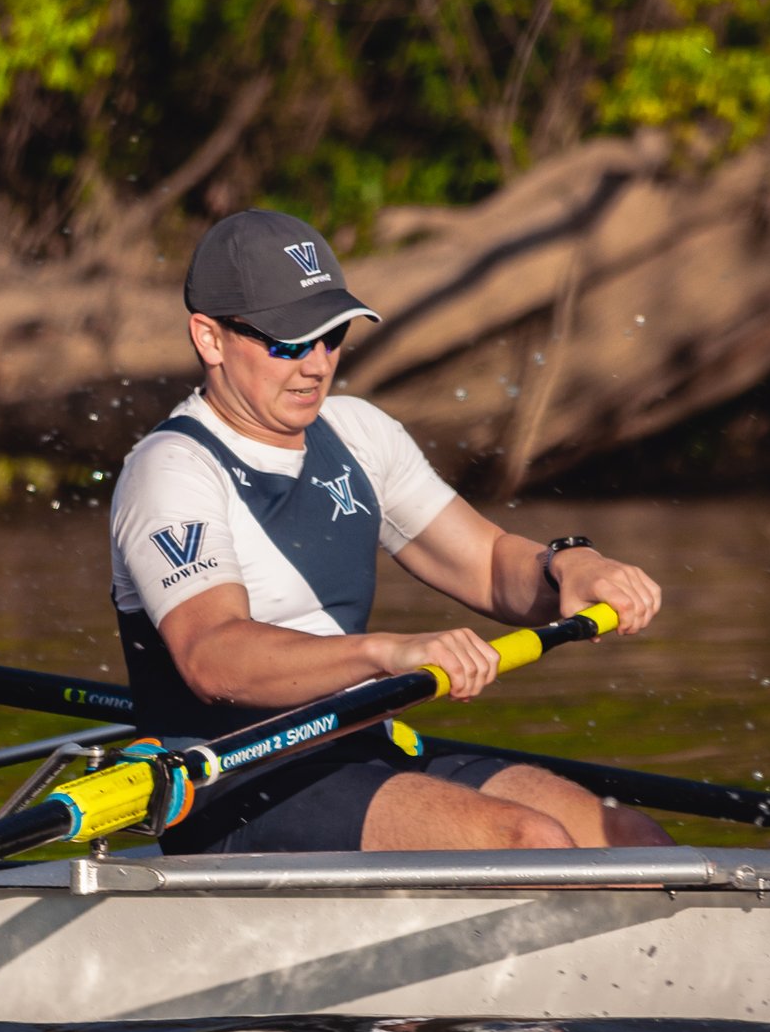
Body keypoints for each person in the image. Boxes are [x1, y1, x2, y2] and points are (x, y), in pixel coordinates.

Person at [109, 209, 670, 856]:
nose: (316, 365)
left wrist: (569, 565)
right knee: (530, 840)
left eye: (332, 334)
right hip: (232, 782)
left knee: (630, 839)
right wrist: (387, 654)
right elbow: (214, 657)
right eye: (287, 342)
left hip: (362, 751)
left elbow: (487, 563)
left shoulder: (357, 432)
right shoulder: (171, 470)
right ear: (209, 339)